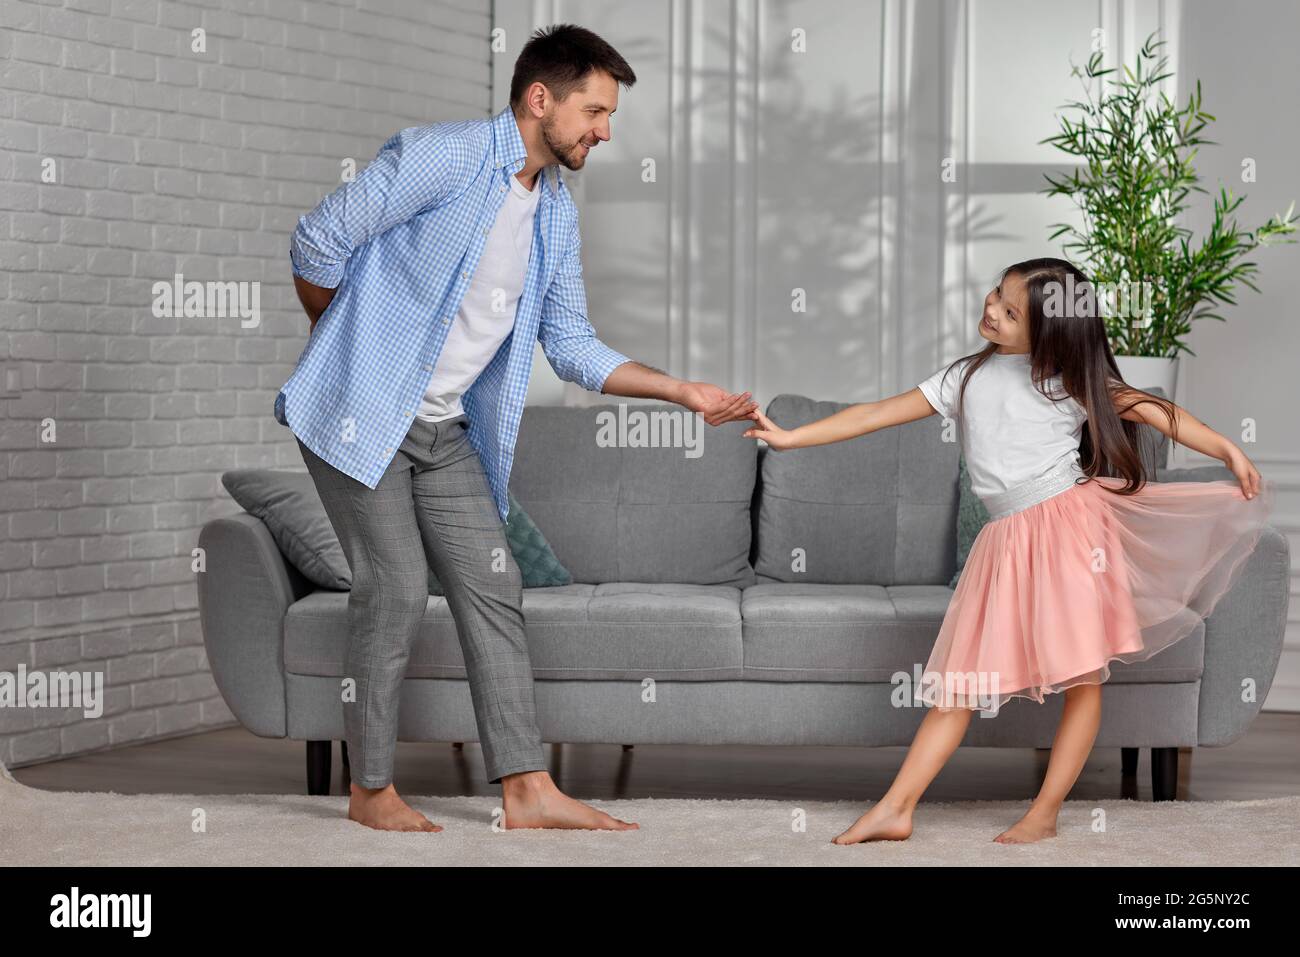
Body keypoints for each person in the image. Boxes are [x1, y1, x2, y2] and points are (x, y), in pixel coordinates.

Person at [278, 24, 757, 832]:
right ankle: (371, 790)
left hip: (443, 432)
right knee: (394, 588)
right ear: (542, 100)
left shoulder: (554, 216)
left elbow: (569, 345)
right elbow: (317, 238)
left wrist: (681, 390)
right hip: (360, 420)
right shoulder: (444, 157)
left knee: (494, 584)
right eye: (596, 111)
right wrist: (348, 352)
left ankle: (527, 786)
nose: (605, 131)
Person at [742, 257, 1275, 845]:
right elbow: (875, 414)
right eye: (997, 293)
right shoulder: (963, 376)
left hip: (1071, 533)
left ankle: (1044, 812)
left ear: (1045, 330)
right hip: (1004, 542)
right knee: (960, 683)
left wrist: (1227, 448)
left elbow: (1157, 411)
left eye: (1010, 309)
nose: (992, 308)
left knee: (1083, 680)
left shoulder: (1065, 380)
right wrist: (792, 437)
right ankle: (896, 807)